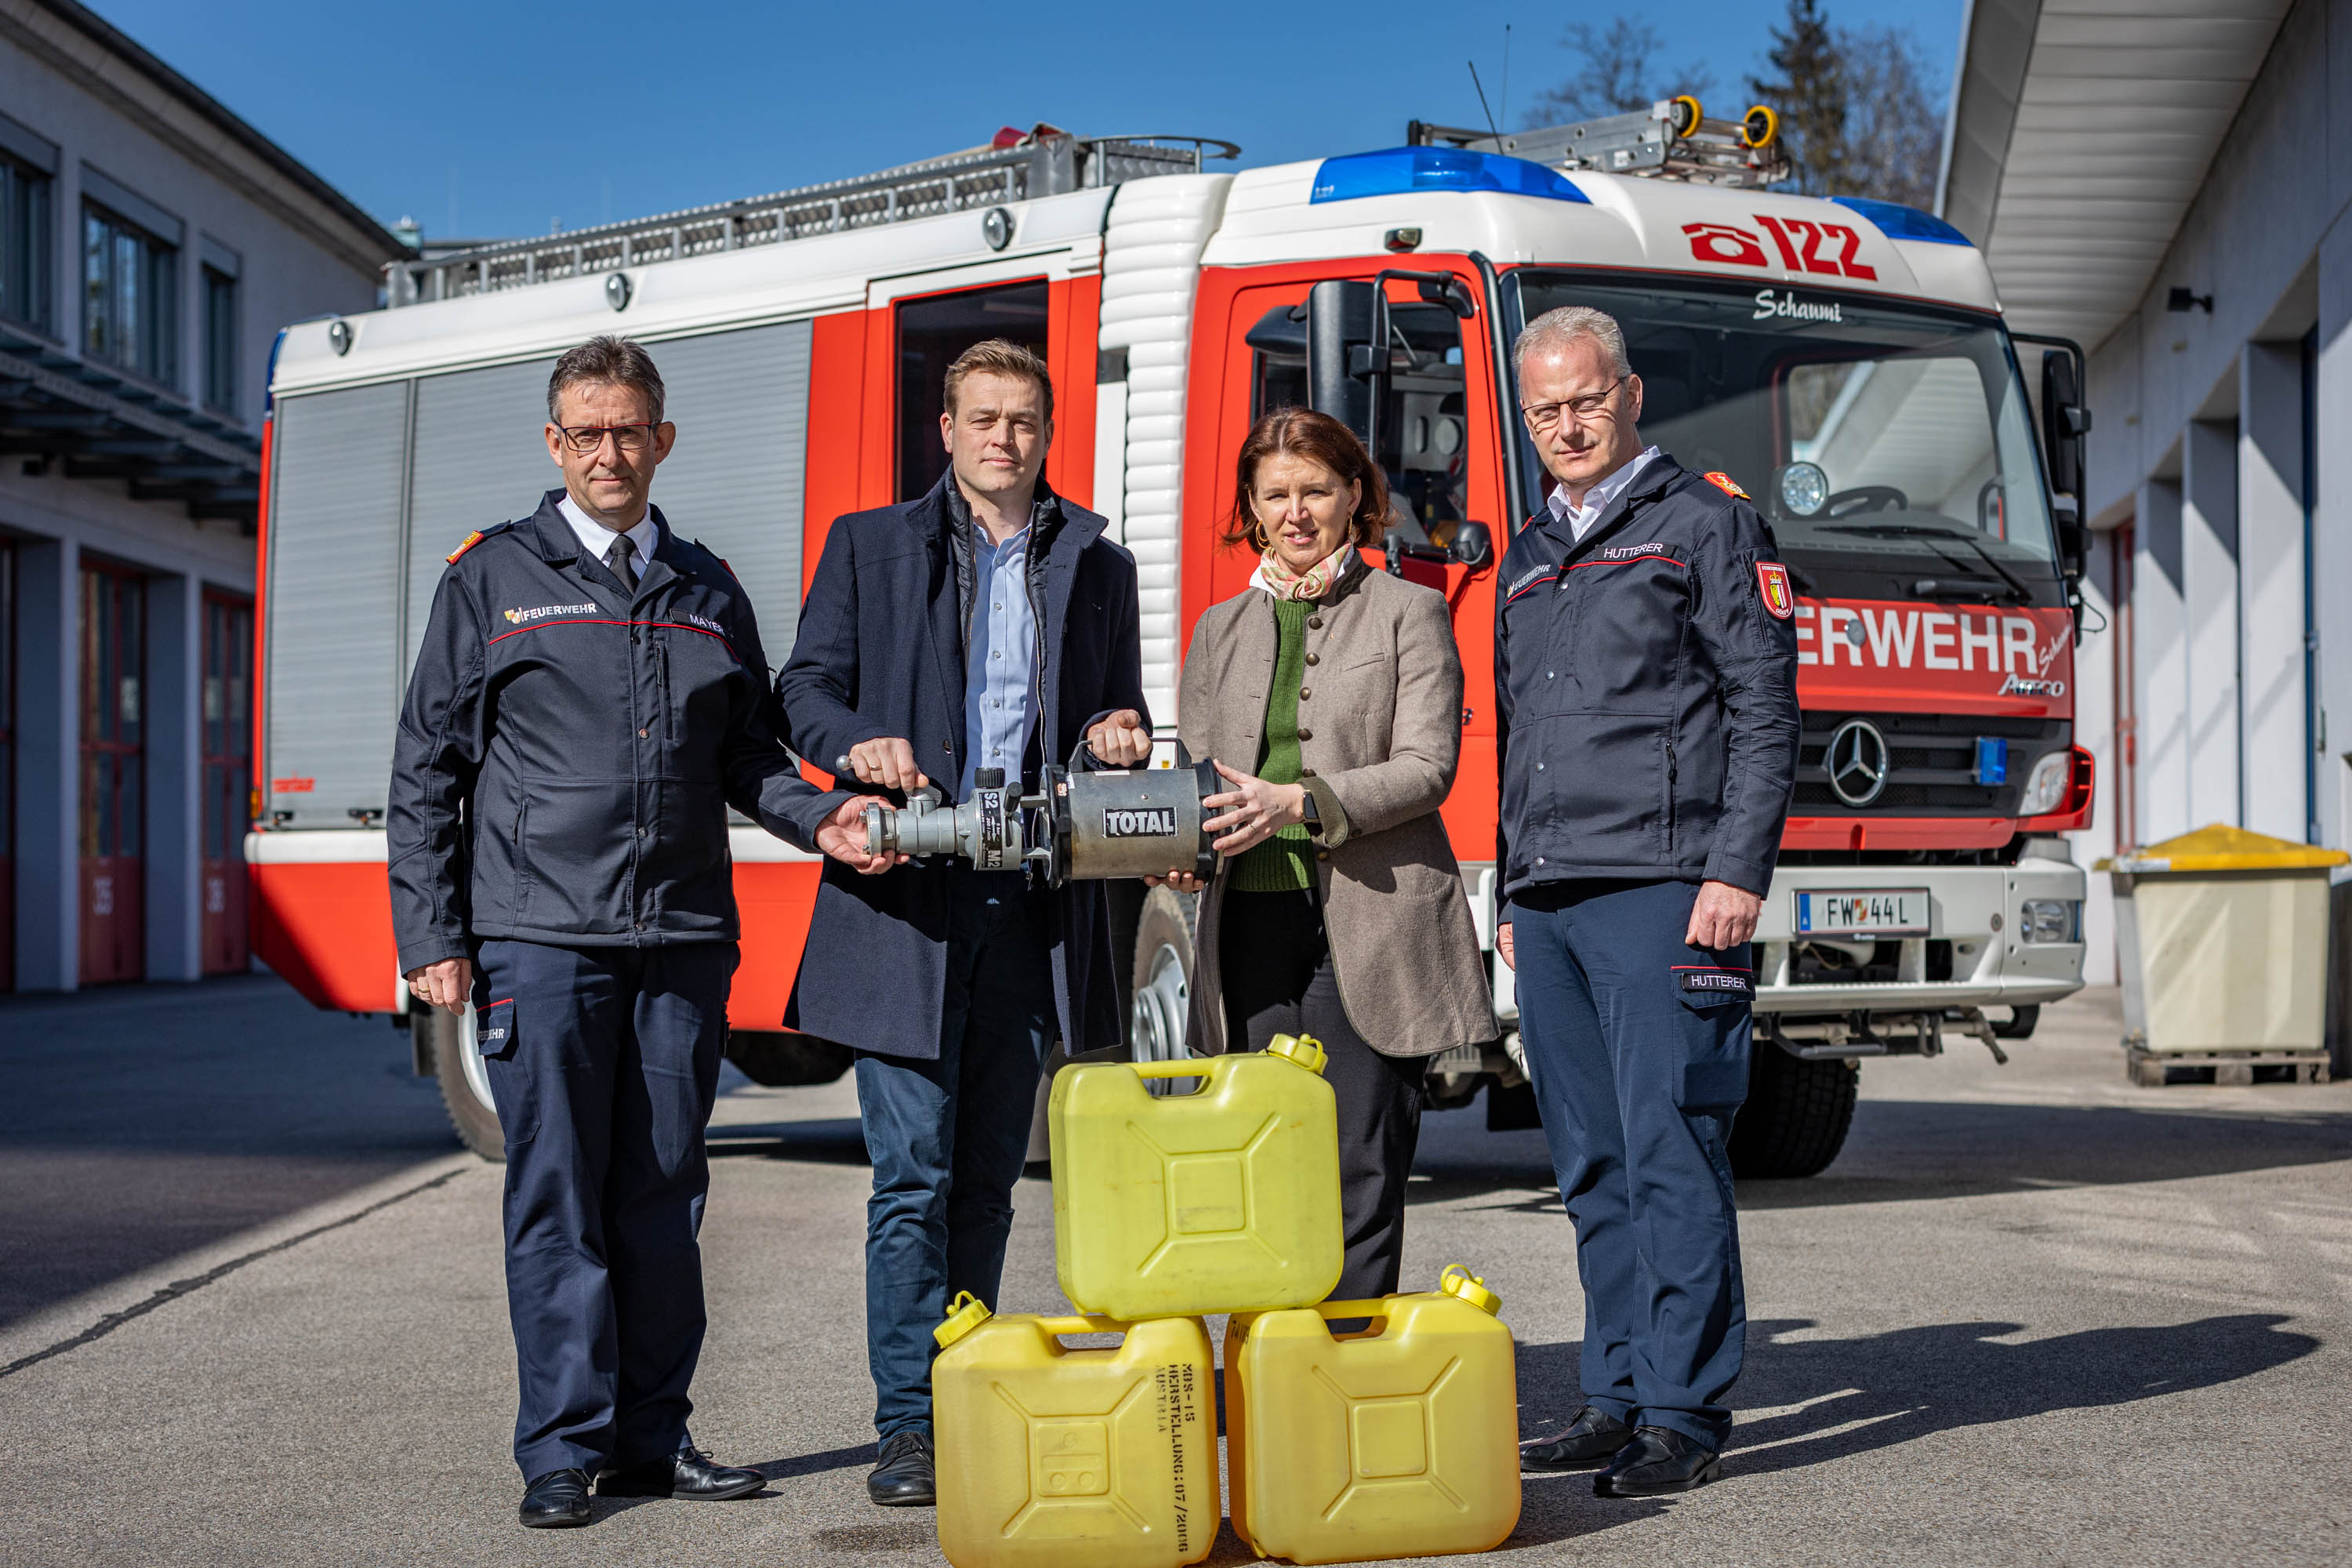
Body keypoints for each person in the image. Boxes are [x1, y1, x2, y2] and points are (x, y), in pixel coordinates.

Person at [389, 336, 891, 1530]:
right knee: (558, 1193)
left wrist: (823, 816)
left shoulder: (708, 588)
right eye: (585, 433)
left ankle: (652, 1442)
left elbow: (748, 758)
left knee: (667, 1191)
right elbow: (427, 767)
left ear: (662, 440)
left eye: (628, 431)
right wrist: (432, 934)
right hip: (539, 938)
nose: (608, 452)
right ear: (554, 444)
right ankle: (561, 1450)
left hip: (678, 940)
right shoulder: (494, 578)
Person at [777, 338, 1151, 1508]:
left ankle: (960, 1388)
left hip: (1035, 900)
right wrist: (854, 747)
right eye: (982, 419)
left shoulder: (1100, 560)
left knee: (989, 1176)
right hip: (907, 894)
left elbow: (1114, 705)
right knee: (914, 1173)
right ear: (945, 429)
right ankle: (905, 1428)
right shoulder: (866, 545)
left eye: (1024, 421)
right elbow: (803, 689)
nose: (1004, 438)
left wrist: (1119, 735)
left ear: (1047, 433)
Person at [1494, 307, 1799, 1497]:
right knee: (1591, 1161)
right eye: (1544, 410)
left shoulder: (1708, 526)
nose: (1566, 425)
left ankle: (1682, 1408)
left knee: (1672, 1149)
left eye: (1585, 400)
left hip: (1668, 890)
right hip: (1553, 901)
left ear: (1629, 396)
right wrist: (1516, 889)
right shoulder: (1527, 553)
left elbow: (1767, 711)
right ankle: (1613, 1391)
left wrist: (1736, 872)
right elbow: (1521, 734)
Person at [1148, 408, 1492, 1302]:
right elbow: (1193, 771)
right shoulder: (1217, 628)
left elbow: (1429, 767)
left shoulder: (1410, 611)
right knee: (1262, 1150)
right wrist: (1175, 839)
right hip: (1248, 922)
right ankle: (1269, 1370)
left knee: (1359, 1156)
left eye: (1316, 490)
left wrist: (1300, 800)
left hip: (1374, 918)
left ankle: (1344, 1366)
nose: (1297, 511)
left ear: (1354, 496)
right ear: (1252, 509)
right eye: (1276, 494)